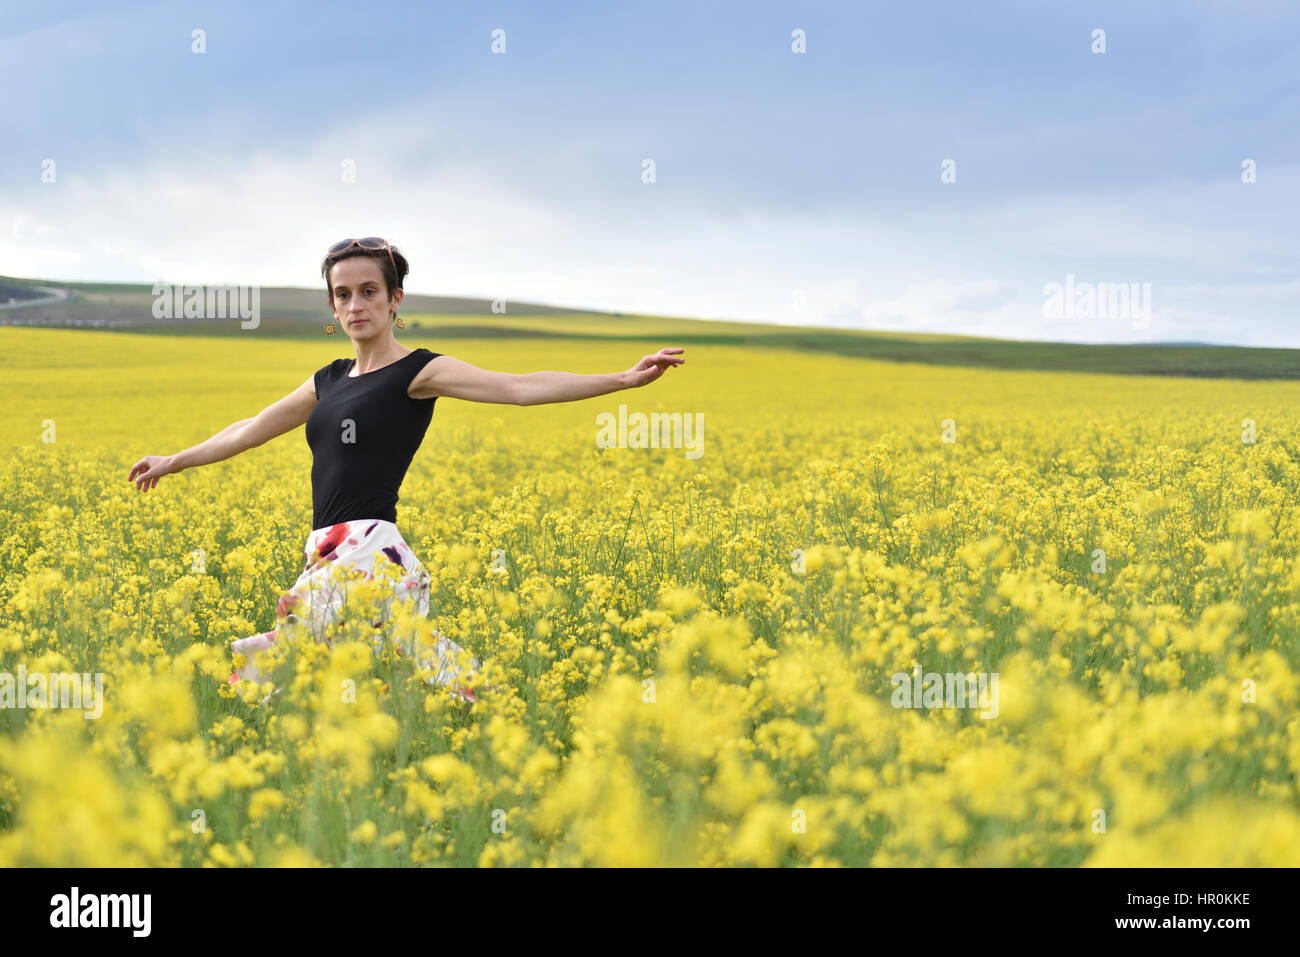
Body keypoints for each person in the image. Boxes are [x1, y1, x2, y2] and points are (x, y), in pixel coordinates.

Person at [127, 236, 685, 706]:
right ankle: (490, 704)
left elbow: (516, 388)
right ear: (332, 307)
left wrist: (621, 380)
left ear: (396, 299)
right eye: (342, 294)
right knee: (408, 654)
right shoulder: (328, 380)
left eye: (369, 291)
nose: (355, 305)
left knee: (290, 640)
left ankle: (245, 719)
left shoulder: (418, 371)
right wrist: (172, 461)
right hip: (326, 546)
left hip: (370, 545)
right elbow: (252, 427)